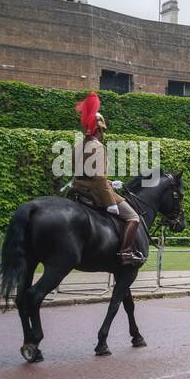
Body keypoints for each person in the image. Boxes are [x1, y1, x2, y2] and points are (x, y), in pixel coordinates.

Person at [71, 92, 145, 265]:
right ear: (99, 129)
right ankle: (126, 253)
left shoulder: (77, 146)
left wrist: (111, 182)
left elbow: (85, 174)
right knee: (134, 217)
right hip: (97, 193)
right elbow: (98, 179)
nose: (103, 133)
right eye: (103, 130)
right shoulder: (98, 147)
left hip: (80, 191)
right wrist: (110, 201)